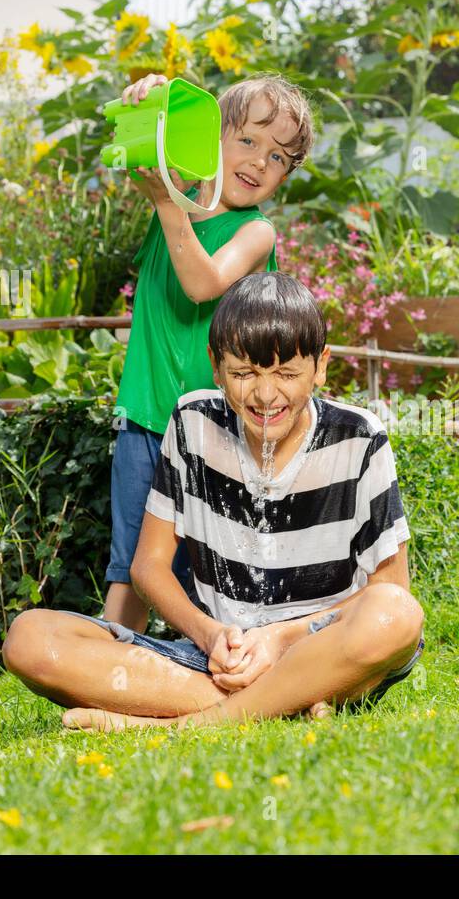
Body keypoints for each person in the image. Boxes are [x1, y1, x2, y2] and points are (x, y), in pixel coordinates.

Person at [2, 273, 425, 730]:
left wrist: (278, 639)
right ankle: (287, 703)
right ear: (216, 366)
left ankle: (190, 723)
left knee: (397, 616)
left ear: (320, 366)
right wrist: (211, 635)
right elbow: (148, 567)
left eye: (287, 373)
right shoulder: (192, 423)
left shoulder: (361, 437)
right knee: (29, 639)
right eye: (244, 374)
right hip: (220, 661)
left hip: (323, 647)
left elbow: (391, 588)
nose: (266, 395)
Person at [104, 71, 316, 635]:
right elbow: (143, 146)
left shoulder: (256, 232)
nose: (257, 162)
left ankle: (224, 669)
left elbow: (203, 283)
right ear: (212, 138)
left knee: (217, 576)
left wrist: (167, 207)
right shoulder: (174, 195)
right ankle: (111, 674)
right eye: (247, 140)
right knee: (130, 570)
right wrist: (153, 98)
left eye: (277, 157)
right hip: (147, 420)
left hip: (215, 434)